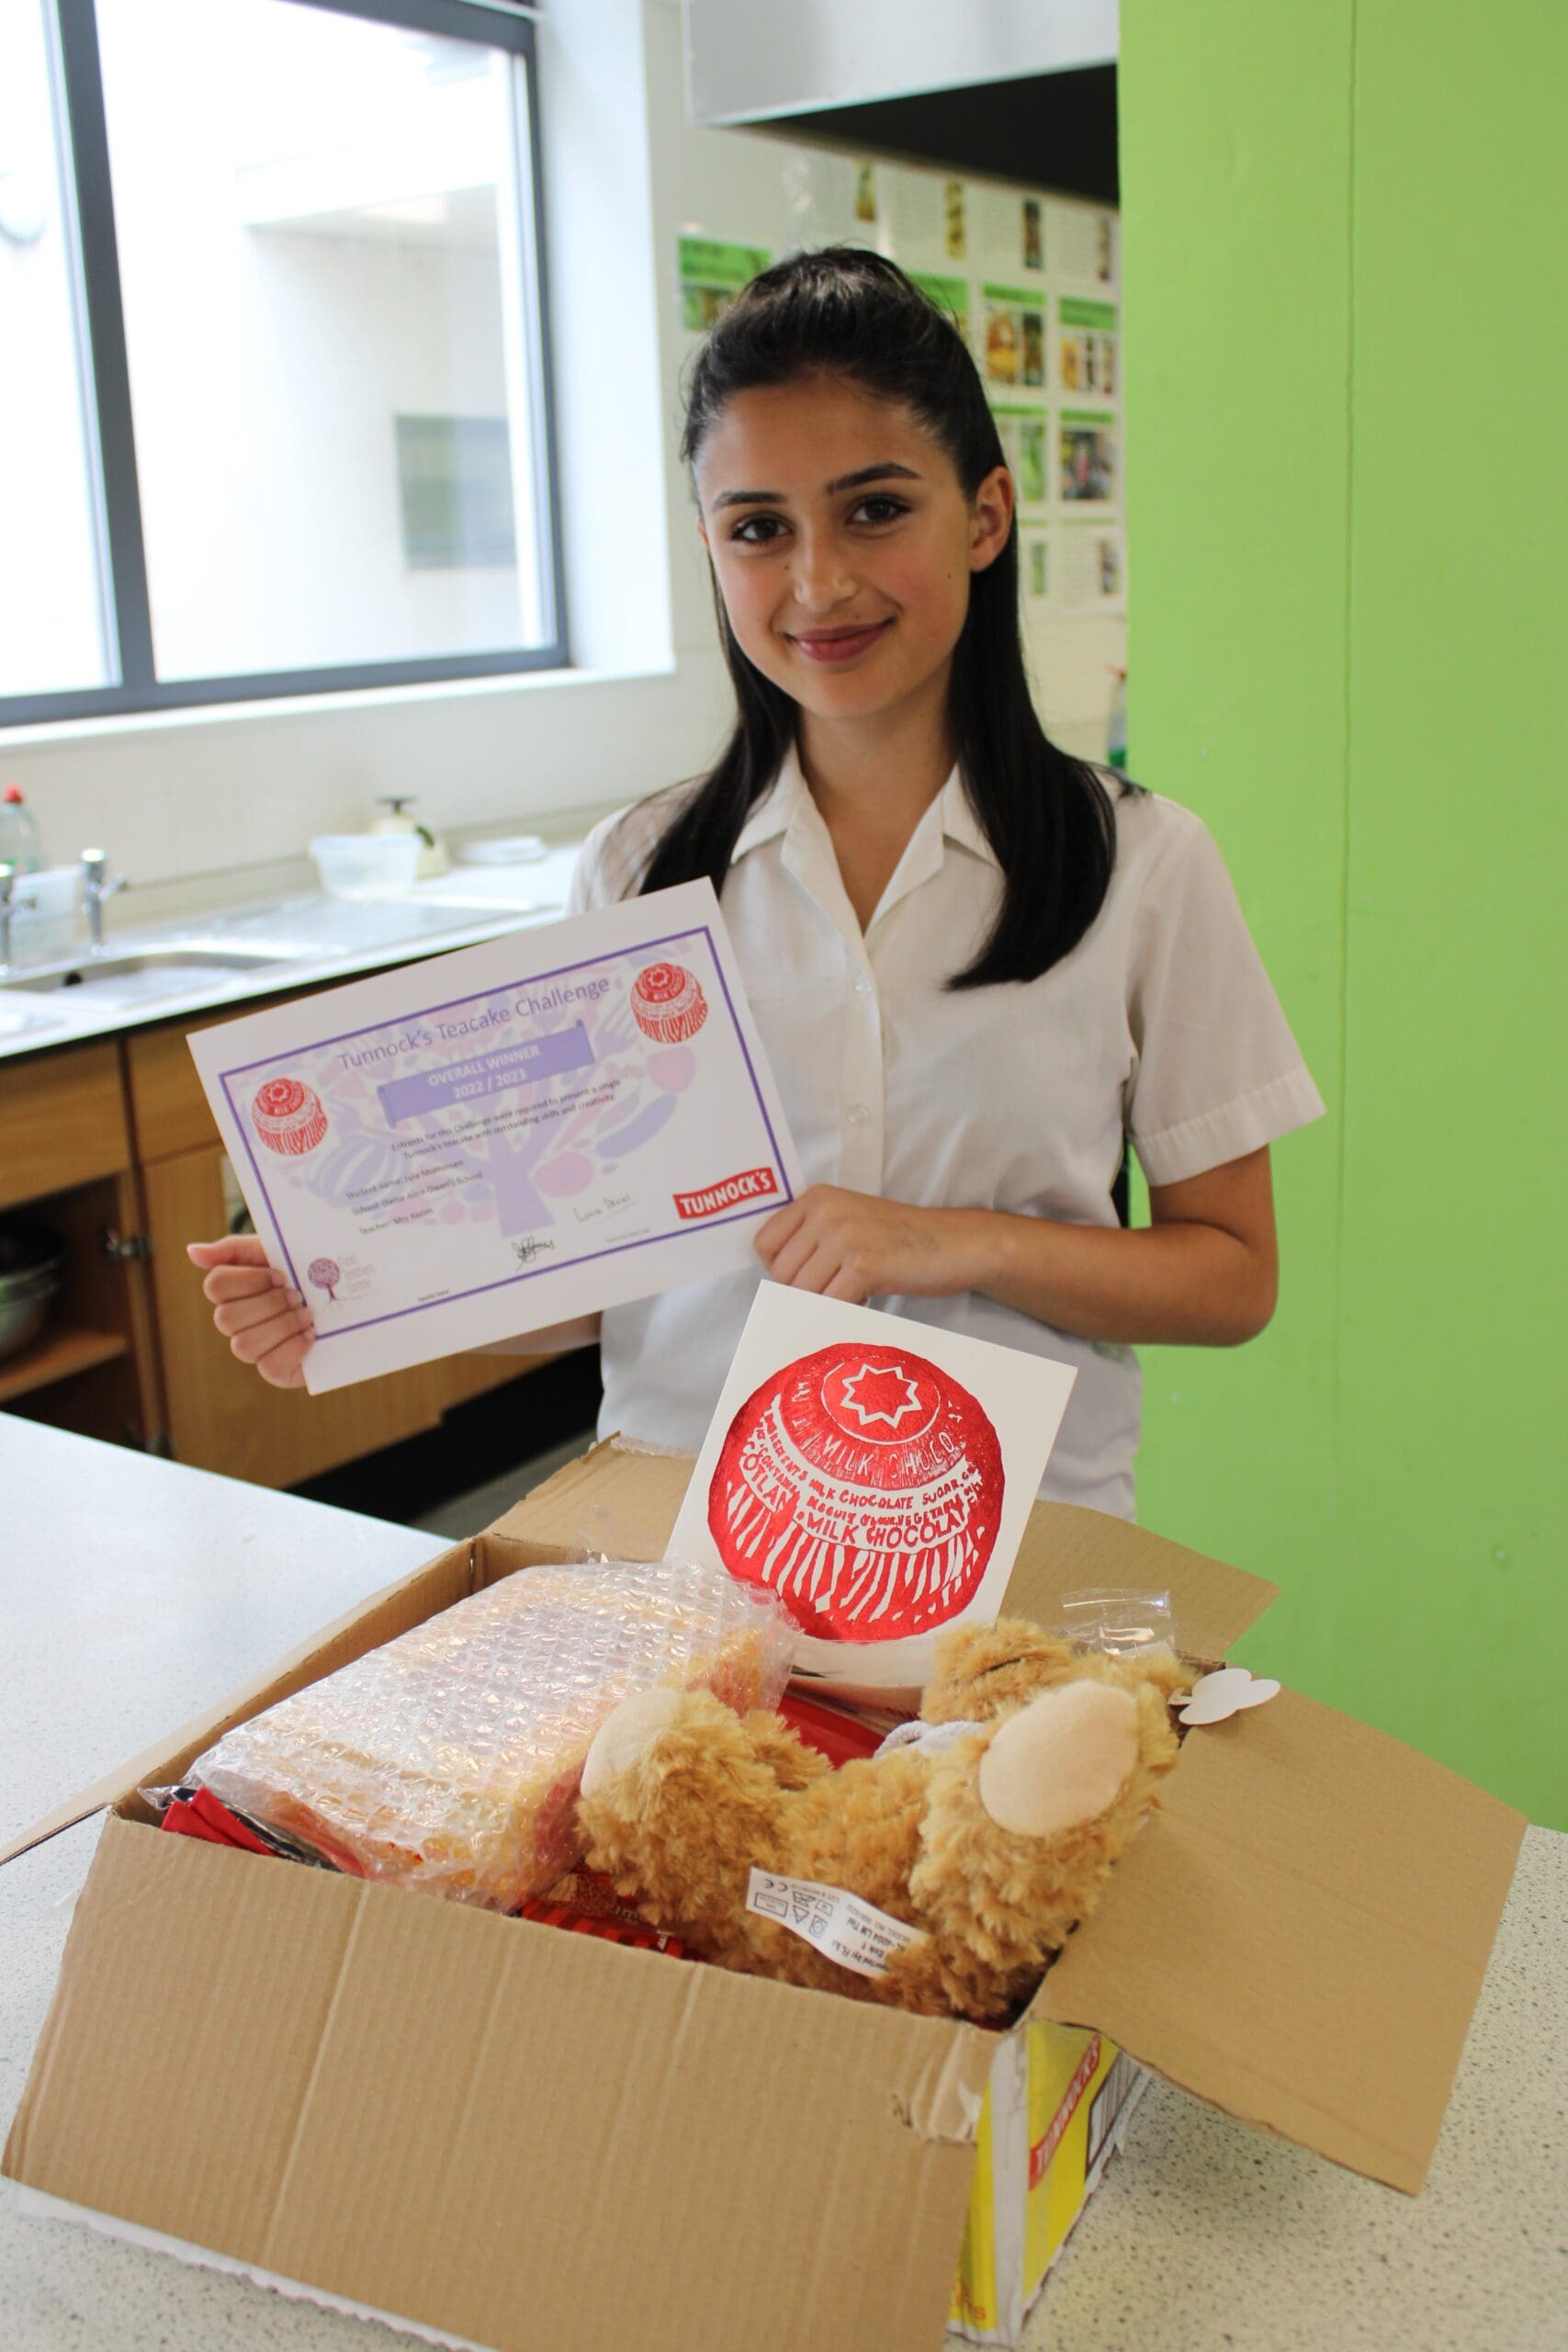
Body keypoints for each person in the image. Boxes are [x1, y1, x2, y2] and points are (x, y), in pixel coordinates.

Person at [190, 248, 1322, 1520]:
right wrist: (351, 1296)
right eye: (759, 529)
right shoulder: (639, 869)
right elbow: (582, 1278)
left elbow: (1231, 1279)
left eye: (876, 510)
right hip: (680, 1546)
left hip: (1012, 1555)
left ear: (988, 515)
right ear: (711, 548)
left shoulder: (1139, 863)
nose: (817, 582)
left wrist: (952, 1240)